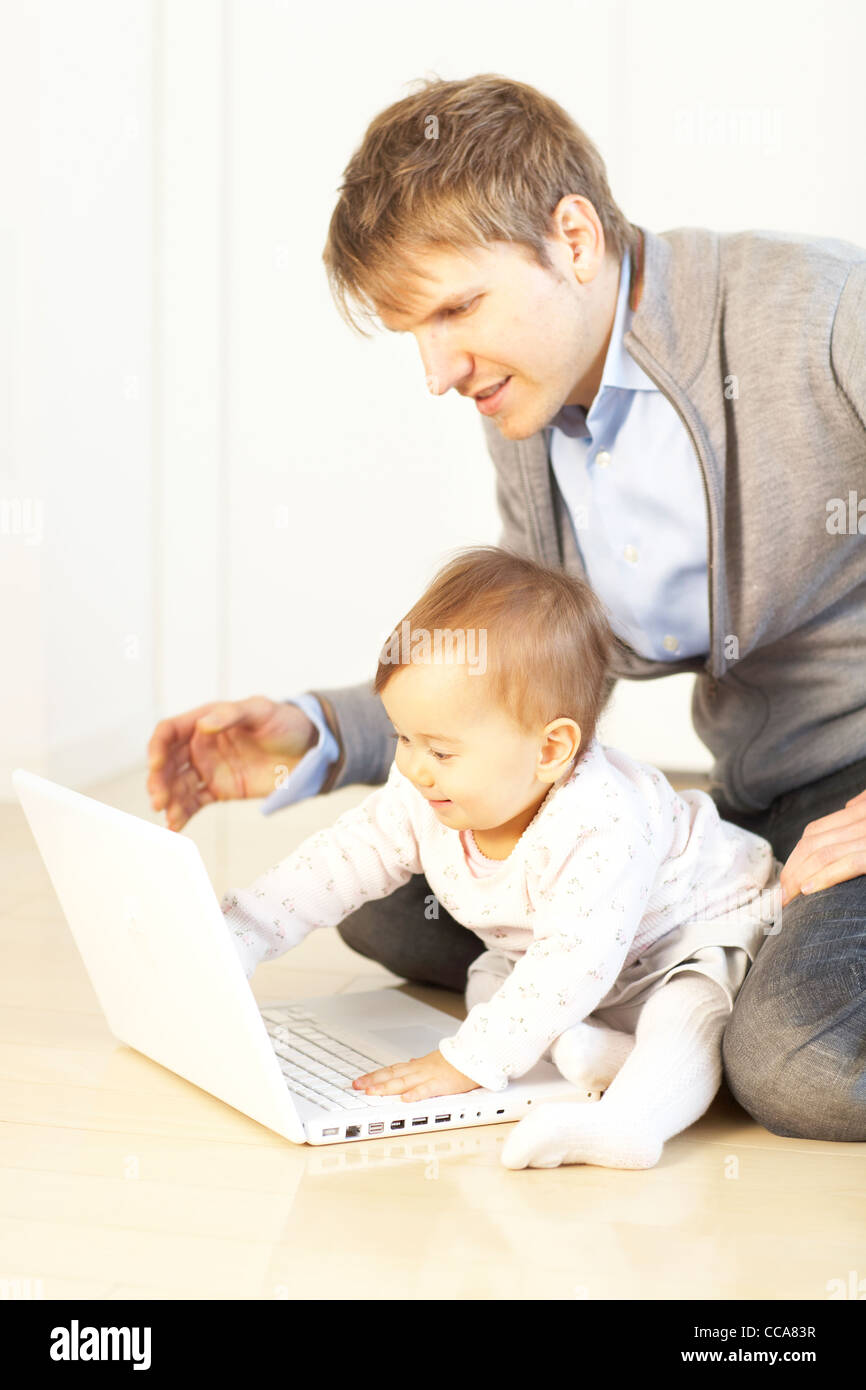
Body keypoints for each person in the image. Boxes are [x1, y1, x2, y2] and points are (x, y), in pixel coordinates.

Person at [147, 74, 866, 1143]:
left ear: (570, 238)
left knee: (796, 1064)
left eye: (454, 310)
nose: (437, 372)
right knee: (408, 891)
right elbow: (529, 667)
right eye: (413, 332)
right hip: (752, 802)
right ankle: (714, 949)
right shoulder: (533, 400)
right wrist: (325, 727)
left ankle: (732, 986)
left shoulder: (819, 316)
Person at [218, 547, 782, 1170]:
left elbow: (573, 961)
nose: (412, 767)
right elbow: (340, 859)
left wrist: (466, 1062)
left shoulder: (600, 820)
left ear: (550, 750)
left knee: (687, 1013)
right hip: (593, 964)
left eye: (440, 749)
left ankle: (633, 1120)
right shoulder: (425, 789)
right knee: (488, 980)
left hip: (694, 936)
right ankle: (599, 1052)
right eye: (402, 737)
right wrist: (242, 929)